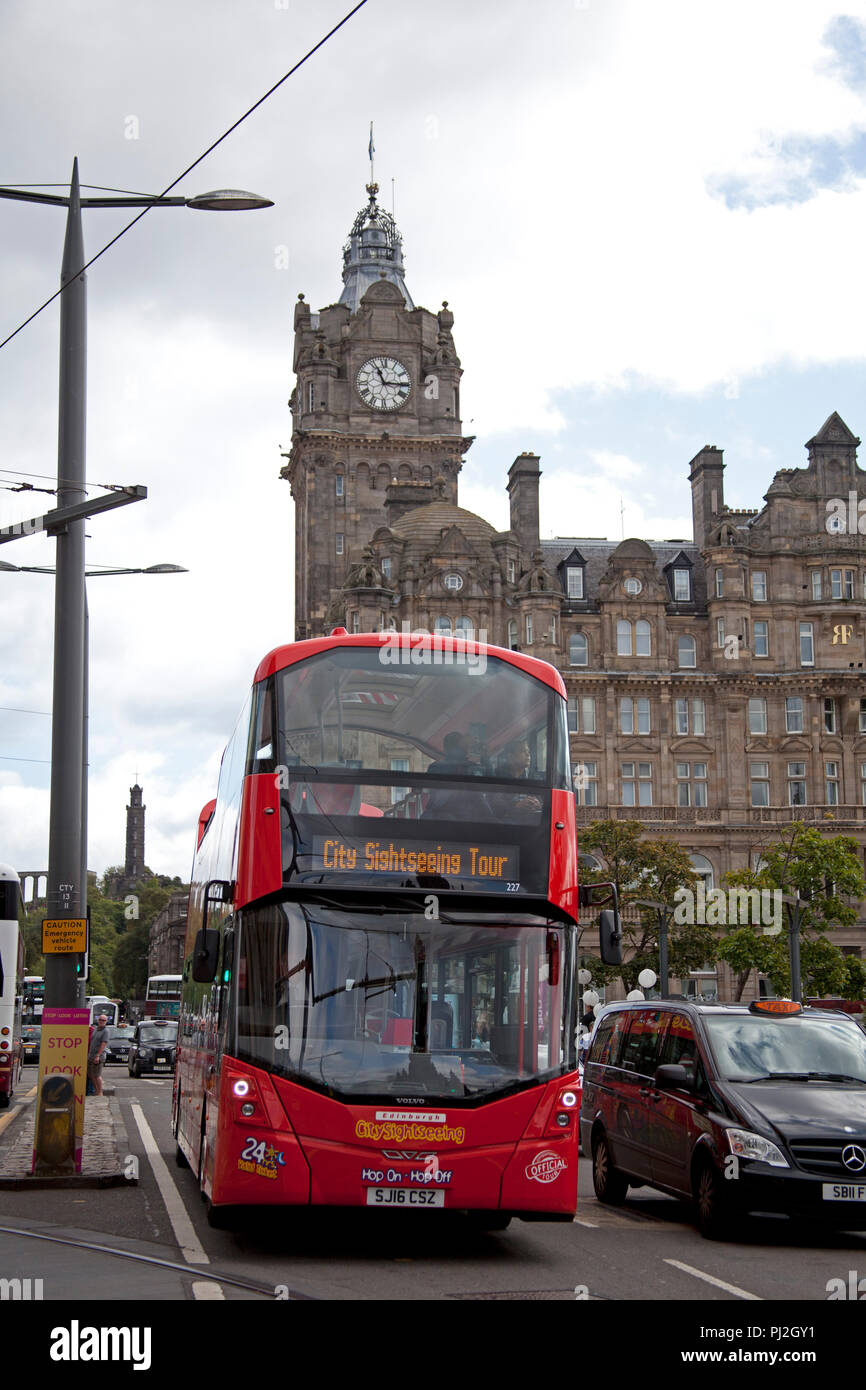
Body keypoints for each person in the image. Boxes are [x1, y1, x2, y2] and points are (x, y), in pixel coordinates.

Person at [87, 1013, 110, 1097]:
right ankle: (96, 1090)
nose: (101, 1021)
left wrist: (98, 1055)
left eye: (103, 1020)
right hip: (91, 1056)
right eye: (100, 1020)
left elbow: (103, 1044)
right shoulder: (96, 1029)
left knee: (97, 1075)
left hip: (98, 1057)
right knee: (91, 1074)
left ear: (106, 1021)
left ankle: (100, 1092)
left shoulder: (106, 1031)